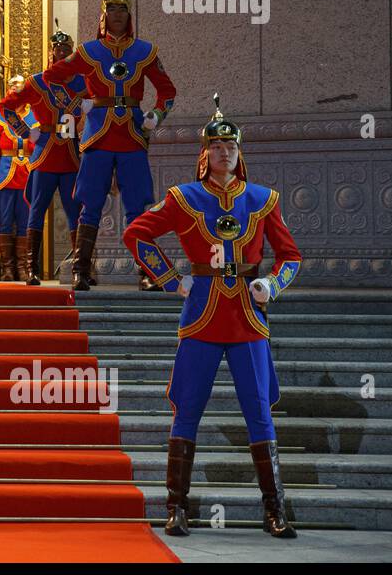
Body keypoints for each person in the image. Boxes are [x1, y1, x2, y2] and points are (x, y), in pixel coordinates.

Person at [122, 95, 300, 540]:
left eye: (232, 147)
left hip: (248, 318)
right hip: (201, 314)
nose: (225, 153)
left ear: (240, 154)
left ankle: (275, 509)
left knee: (260, 414)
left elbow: (291, 257)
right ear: (205, 154)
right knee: (187, 411)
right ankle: (176, 507)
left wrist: (270, 285)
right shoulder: (185, 197)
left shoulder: (263, 199)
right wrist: (169, 279)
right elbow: (136, 233)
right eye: (217, 147)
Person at [42, 0, 176, 290]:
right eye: (111, 9)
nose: (117, 14)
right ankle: (81, 270)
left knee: (138, 205)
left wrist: (156, 113)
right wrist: (77, 103)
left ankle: (148, 272)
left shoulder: (145, 51)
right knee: (89, 203)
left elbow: (167, 90)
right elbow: (52, 75)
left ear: (129, 16)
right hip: (98, 133)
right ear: (103, 16)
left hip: (131, 132)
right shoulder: (89, 52)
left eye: (122, 9)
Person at [0, 31, 86, 285]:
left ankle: (80, 270)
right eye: (56, 49)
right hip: (45, 153)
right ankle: (31, 269)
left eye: (65, 49)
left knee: (75, 213)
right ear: (50, 53)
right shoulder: (37, 82)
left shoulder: (83, 83)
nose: (61, 53)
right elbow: (6, 106)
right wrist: (26, 132)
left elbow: (102, 105)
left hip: (71, 154)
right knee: (36, 211)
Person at [0, 75, 32, 281]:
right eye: (11, 86)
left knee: (25, 222)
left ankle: (23, 267)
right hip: (5, 175)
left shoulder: (34, 116)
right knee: (4, 222)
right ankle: (7, 268)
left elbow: (39, 148)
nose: (15, 90)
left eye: (19, 87)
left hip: (28, 176)